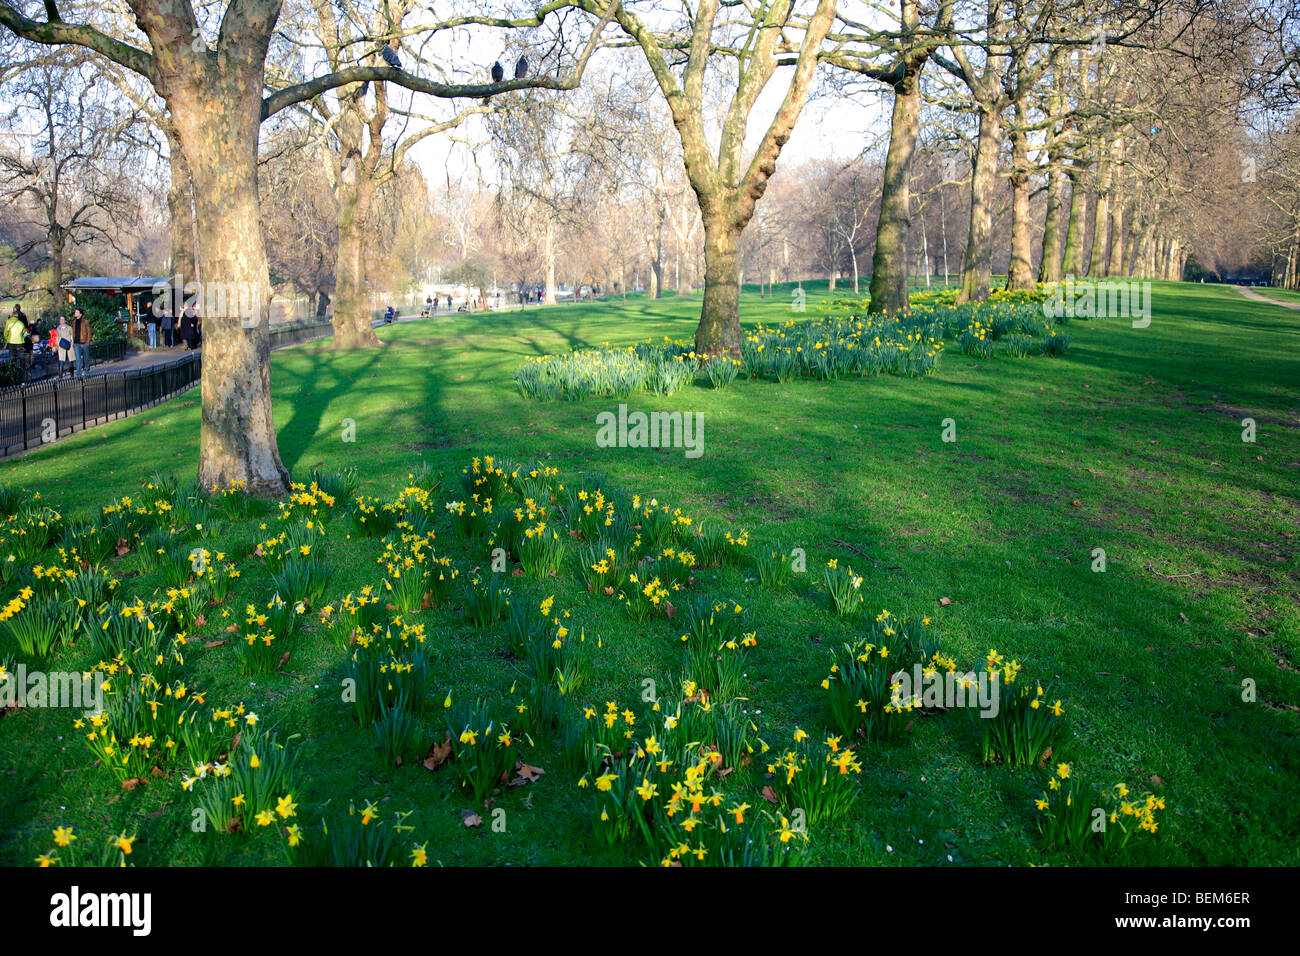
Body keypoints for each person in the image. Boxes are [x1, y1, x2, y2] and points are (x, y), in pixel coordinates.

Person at [71, 307, 92, 378]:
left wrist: (87, 342)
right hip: (76, 343)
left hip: (84, 342)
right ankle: (79, 374)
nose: (75, 313)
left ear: (80, 314)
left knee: (86, 358)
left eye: (77, 312)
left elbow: (89, 332)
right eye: (75, 312)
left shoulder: (85, 321)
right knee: (78, 359)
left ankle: (86, 371)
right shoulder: (73, 322)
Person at [5, 306, 27, 371]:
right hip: (20, 342)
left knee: (12, 356)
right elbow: (24, 333)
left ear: (12, 316)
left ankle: (13, 370)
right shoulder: (21, 323)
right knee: (20, 356)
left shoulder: (8, 322)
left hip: (11, 341)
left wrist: (7, 338)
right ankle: (20, 369)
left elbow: (5, 332)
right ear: (17, 317)